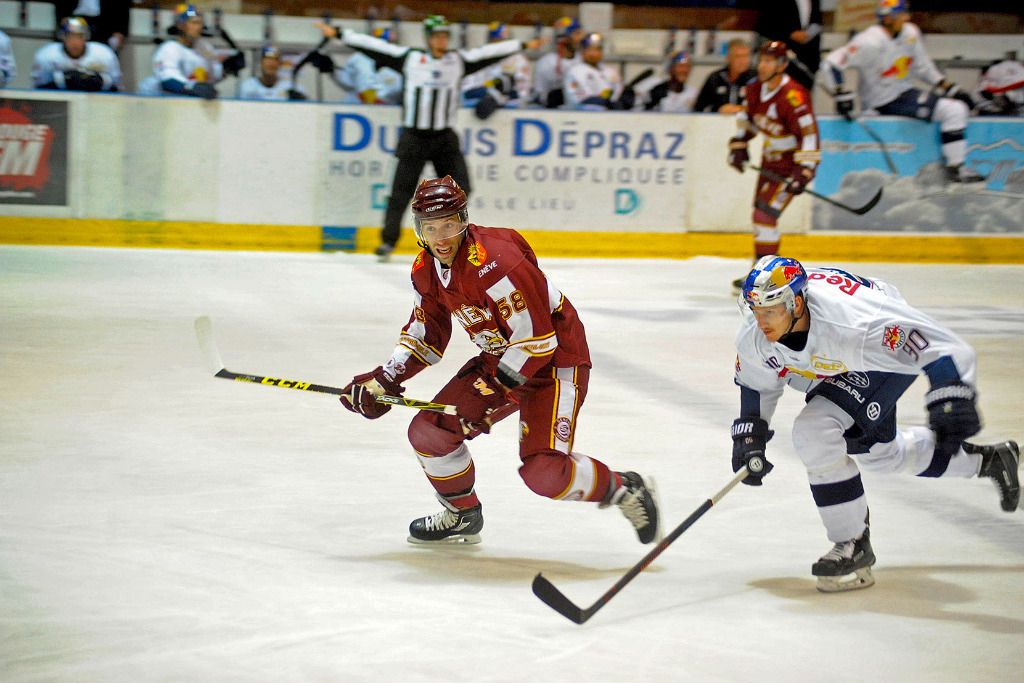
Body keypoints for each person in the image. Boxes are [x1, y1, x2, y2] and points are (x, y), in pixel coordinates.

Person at [339, 176, 661, 546]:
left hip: (555, 361)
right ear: (419, 230)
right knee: (428, 432)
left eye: (449, 224)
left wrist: (496, 394)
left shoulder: (497, 263)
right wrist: (384, 379)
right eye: (431, 227)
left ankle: (625, 488)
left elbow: (538, 340)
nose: (441, 237)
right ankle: (461, 514)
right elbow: (427, 334)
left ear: (463, 220)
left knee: (544, 473)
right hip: (503, 358)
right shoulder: (425, 268)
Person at [732, 255, 1020, 592]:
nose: (761, 321)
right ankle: (989, 461)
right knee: (880, 455)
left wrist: (951, 394)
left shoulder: (860, 323)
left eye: (770, 311)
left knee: (815, 431)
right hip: (839, 362)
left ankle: (851, 542)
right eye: (756, 310)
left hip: (876, 357)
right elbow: (756, 383)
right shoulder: (756, 334)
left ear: (796, 302)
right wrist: (750, 437)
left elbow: (938, 346)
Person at [317, 15, 540, 261]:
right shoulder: (411, 59)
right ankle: (388, 242)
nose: (441, 40)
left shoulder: (457, 61)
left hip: (444, 137)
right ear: (428, 38)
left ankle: (453, 237)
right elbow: (375, 48)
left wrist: (520, 46)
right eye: (437, 36)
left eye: (445, 35)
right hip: (415, 136)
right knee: (400, 190)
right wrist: (339, 33)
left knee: (462, 188)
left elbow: (488, 53)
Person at [820, 0, 982, 183]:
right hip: (880, 102)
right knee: (954, 110)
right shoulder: (868, 42)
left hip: (904, 93)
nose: (906, 17)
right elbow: (831, 64)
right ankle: (956, 169)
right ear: (889, 18)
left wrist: (949, 87)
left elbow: (922, 67)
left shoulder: (910, 33)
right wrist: (841, 93)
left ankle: (955, 167)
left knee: (955, 108)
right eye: (901, 13)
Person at [727, 41, 819, 293]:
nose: (763, 65)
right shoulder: (754, 88)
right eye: (762, 60)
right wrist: (739, 144)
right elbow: (748, 118)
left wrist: (805, 170)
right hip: (771, 161)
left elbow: (809, 134)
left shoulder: (794, 95)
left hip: (791, 166)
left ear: (782, 65)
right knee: (760, 217)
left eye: (769, 61)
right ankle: (762, 272)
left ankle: (767, 276)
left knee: (764, 217)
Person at [138, 4, 225, 99]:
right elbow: (168, 80)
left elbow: (211, 78)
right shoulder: (169, 48)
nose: (199, 27)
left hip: (191, 104)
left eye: (200, 23)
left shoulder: (205, 47)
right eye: (194, 23)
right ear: (181, 25)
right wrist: (192, 87)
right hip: (163, 103)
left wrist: (226, 69)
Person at [461, 22, 533, 117]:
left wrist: (499, 96)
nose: (499, 47)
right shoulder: (481, 56)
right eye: (495, 41)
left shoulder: (519, 59)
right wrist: (490, 93)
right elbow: (467, 90)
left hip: (511, 111)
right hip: (480, 106)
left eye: (502, 42)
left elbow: (523, 94)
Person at [32, 16, 121, 91]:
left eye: (79, 36)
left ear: (86, 37)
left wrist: (101, 81)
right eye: (70, 36)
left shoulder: (104, 54)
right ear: (62, 37)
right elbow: (39, 87)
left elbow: (116, 85)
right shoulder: (47, 55)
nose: (75, 42)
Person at [754, 0, 822, 90]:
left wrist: (808, 35)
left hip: (807, 60)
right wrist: (789, 33)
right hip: (783, 56)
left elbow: (817, 21)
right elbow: (765, 24)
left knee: (802, 96)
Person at [330, 26, 403, 105]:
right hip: (355, 106)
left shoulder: (400, 61)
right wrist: (331, 70)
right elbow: (347, 80)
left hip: (390, 110)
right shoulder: (358, 58)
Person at [563, 32, 625, 110]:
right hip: (581, 116)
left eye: (597, 49)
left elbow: (618, 93)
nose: (594, 53)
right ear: (582, 51)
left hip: (610, 116)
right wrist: (603, 102)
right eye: (590, 49)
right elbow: (577, 101)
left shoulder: (611, 72)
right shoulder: (574, 72)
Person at [694, 38, 756, 114]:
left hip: (746, 123)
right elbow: (698, 108)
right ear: (728, 58)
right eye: (738, 56)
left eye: (746, 56)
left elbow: (761, 106)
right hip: (718, 123)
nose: (743, 61)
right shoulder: (715, 78)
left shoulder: (755, 78)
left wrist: (738, 109)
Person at [532, 16, 582, 108]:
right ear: (564, 38)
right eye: (576, 33)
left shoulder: (583, 59)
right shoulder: (546, 63)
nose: (580, 38)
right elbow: (540, 95)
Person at [51, 0, 130, 52]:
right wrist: (62, 16)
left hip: (104, 21)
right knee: (73, 52)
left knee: (101, 57)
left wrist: (120, 31)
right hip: (76, 18)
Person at [238, 45, 306, 101]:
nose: (271, 63)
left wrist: (300, 100)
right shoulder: (248, 86)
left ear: (280, 64)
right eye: (268, 59)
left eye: (275, 60)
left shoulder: (291, 87)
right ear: (261, 62)